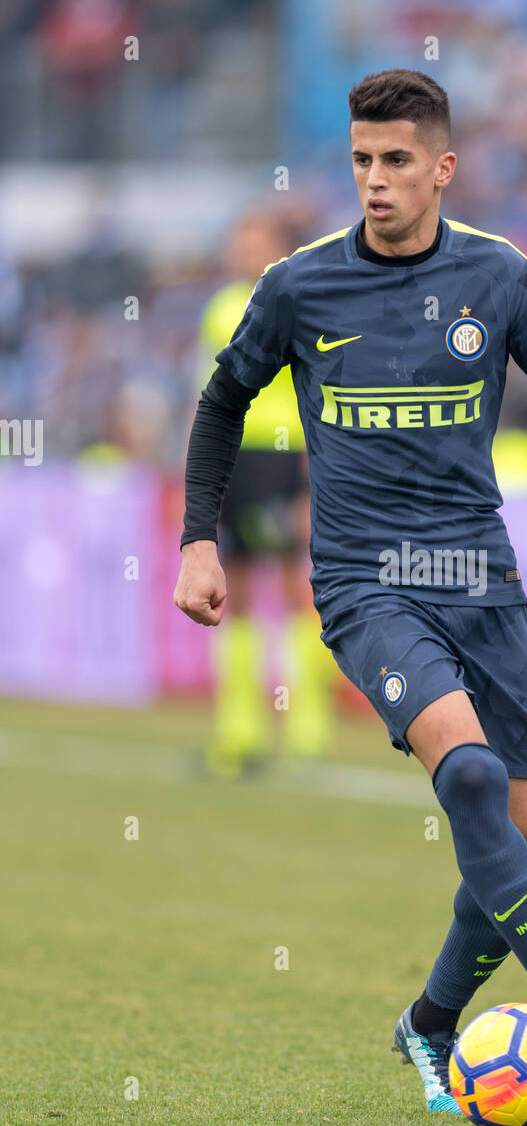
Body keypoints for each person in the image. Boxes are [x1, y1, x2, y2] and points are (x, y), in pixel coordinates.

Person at [174, 69, 527, 1113]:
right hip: (365, 582)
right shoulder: (299, 286)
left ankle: (428, 1024)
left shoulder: (501, 278)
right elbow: (220, 406)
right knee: (473, 779)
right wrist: (196, 542)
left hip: (479, 578)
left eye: (396, 160)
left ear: (441, 167)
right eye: (360, 160)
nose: (374, 180)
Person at [195, 211, 336, 775]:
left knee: (299, 587)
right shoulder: (223, 307)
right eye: (240, 239)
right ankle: (241, 732)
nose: (244, 249)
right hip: (238, 461)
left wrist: (310, 477)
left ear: (281, 250)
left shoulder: (301, 303)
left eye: (257, 240)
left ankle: (306, 731)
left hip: (288, 459)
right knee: (238, 595)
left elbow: (317, 390)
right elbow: (212, 397)